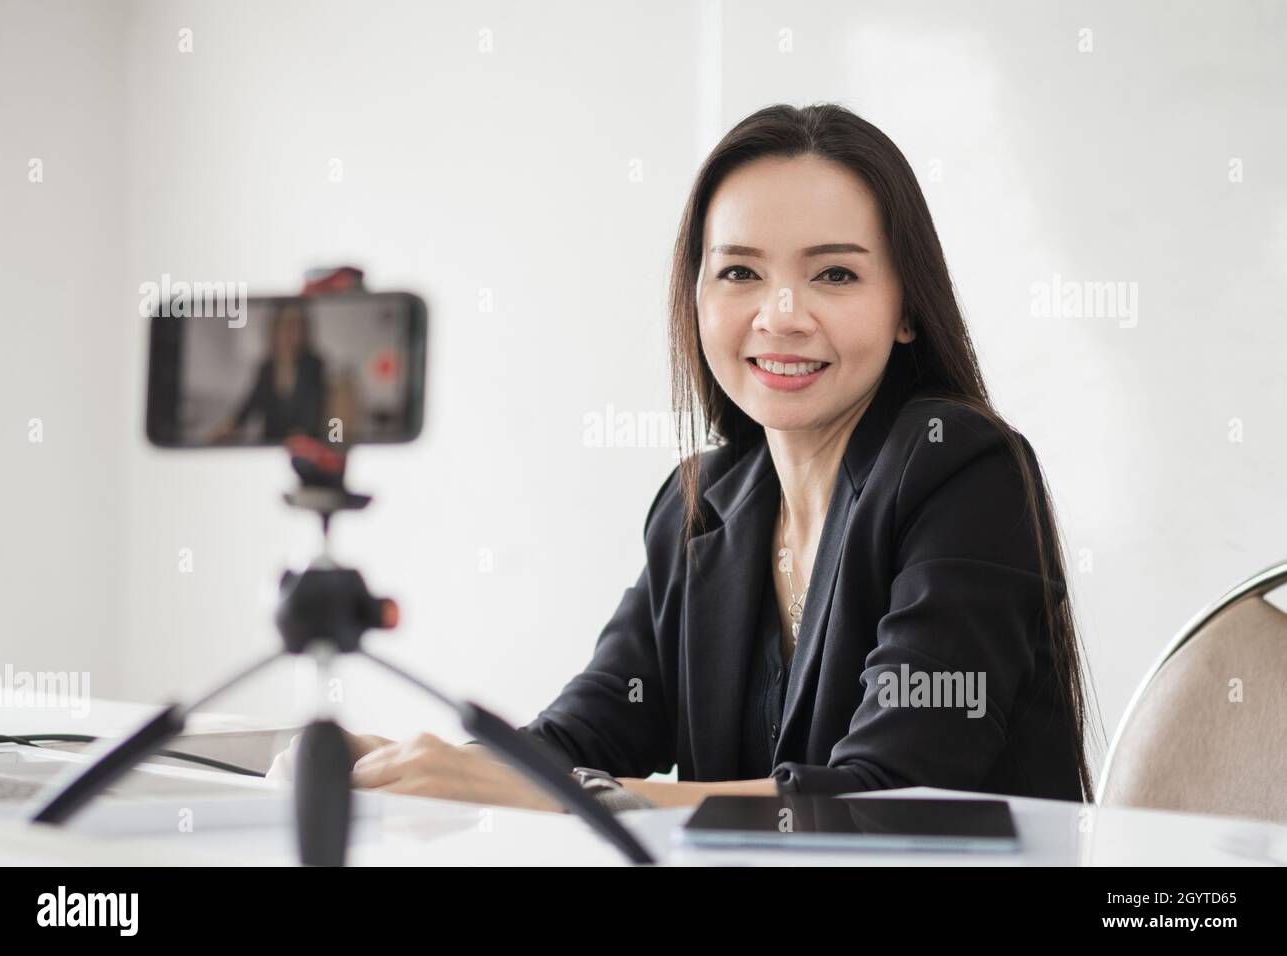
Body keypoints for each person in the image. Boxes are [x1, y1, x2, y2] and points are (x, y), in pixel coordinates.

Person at [270, 103, 1100, 813]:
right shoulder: (703, 504)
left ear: (907, 308)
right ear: (696, 297)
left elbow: (889, 801)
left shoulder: (961, 470)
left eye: (836, 275)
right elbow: (584, 734)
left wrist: (571, 795)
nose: (780, 315)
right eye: (739, 271)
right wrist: (415, 764)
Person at [208, 301, 326, 443]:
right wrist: (226, 429)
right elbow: (248, 408)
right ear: (275, 329)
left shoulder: (314, 366)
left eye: (295, 325)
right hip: (270, 449)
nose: (289, 332)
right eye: (284, 325)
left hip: (304, 451)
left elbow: (313, 414)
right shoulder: (266, 368)